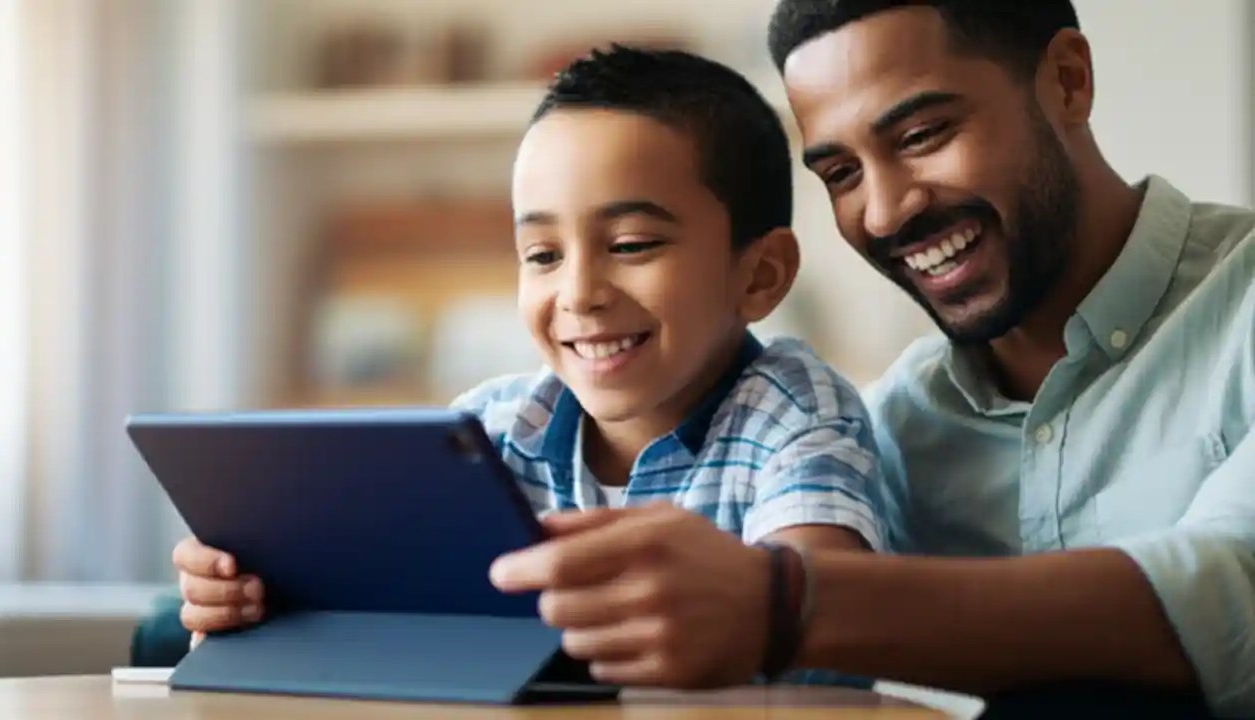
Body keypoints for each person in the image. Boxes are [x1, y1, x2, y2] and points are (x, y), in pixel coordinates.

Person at [486, 1, 1255, 715]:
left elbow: (1231, 589)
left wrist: (787, 604)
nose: (885, 211)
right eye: (841, 174)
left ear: (1067, 80)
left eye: (922, 136)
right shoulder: (888, 428)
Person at [171, 46, 894, 656]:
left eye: (632, 245)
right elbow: (388, 627)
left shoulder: (796, 414)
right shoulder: (485, 431)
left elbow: (817, 613)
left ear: (760, 275)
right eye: (541, 255)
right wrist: (256, 604)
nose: (579, 293)